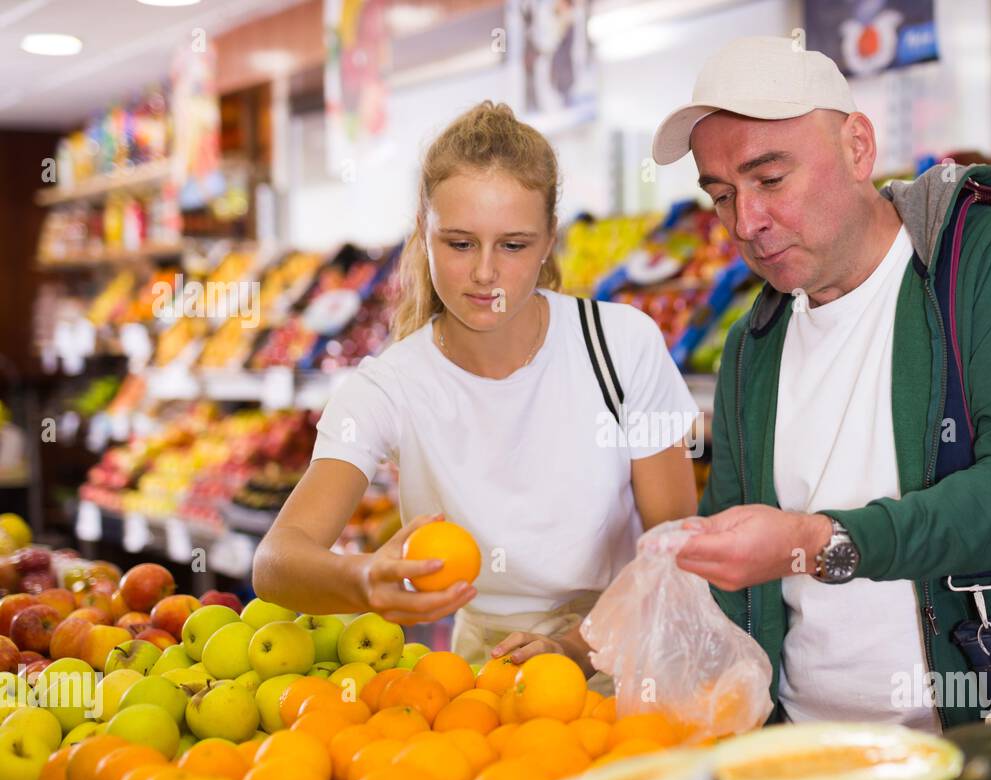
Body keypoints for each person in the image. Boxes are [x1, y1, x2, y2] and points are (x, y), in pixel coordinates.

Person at [657, 37, 991, 731]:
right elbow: (737, 574)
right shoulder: (751, 347)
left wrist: (820, 541)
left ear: (858, 147)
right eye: (721, 196)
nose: (747, 222)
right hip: (807, 751)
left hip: (986, 737)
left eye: (770, 180)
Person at [253, 101, 699, 686]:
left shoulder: (622, 345)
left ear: (547, 244)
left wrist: (572, 649)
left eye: (513, 246)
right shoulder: (389, 387)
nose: (485, 273)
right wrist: (363, 580)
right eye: (460, 244)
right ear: (424, 234)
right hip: (483, 672)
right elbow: (275, 561)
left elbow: (673, 551)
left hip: (624, 651)